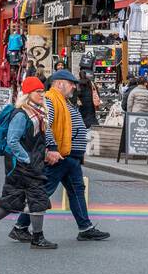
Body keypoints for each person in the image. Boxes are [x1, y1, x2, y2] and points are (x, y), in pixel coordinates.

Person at [11, 69, 109, 243]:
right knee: (42, 193)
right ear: (60, 83)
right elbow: (46, 126)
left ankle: (85, 228)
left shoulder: (64, 101)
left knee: (76, 190)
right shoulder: (50, 99)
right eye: (71, 84)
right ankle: (19, 227)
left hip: (70, 156)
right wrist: (52, 148)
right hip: (60, 156)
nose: (73, 88)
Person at [0, 76, 59, 250]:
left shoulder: (37, 113)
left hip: (22, 165)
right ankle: (37, 238)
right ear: (27, 94)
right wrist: (27, 159)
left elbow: (35, 140)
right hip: (25, 165)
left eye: (42, 91)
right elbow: (13, 140)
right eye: (37, 92)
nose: (42, 94)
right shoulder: (22, 114)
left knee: (12, 200)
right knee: (38, 198)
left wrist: (43, 152)